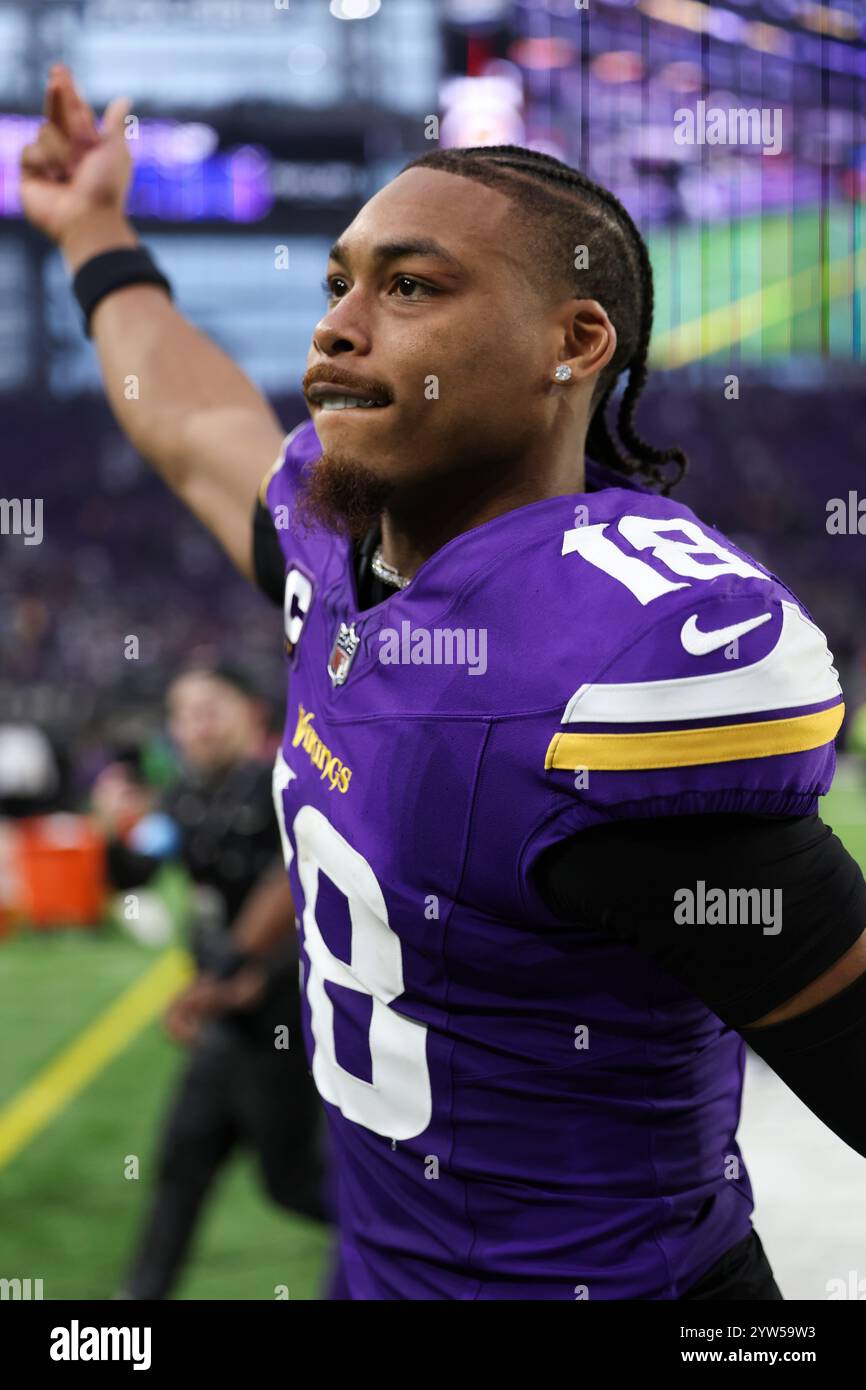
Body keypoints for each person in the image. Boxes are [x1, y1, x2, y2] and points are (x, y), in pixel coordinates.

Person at [20, 64, 866, 1301]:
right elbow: (195, 428)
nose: (337, 324)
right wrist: (94, 229)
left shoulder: (608, 665)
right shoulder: (337, 547)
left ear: (571, 343)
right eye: (337, 283)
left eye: (408, 286)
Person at [91, 666, 326, 1299]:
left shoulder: (282, 787)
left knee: (297, 1184)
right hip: (222, 1023)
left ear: (251, 714)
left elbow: (302, 898)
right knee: (180, 1165)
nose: (196, 723)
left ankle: (405, 1262)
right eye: (183, 711)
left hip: (282, 1026)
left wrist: (251, 975)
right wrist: (110, 832)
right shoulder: (185, 802)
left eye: (210, 707)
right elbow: (134, 873)